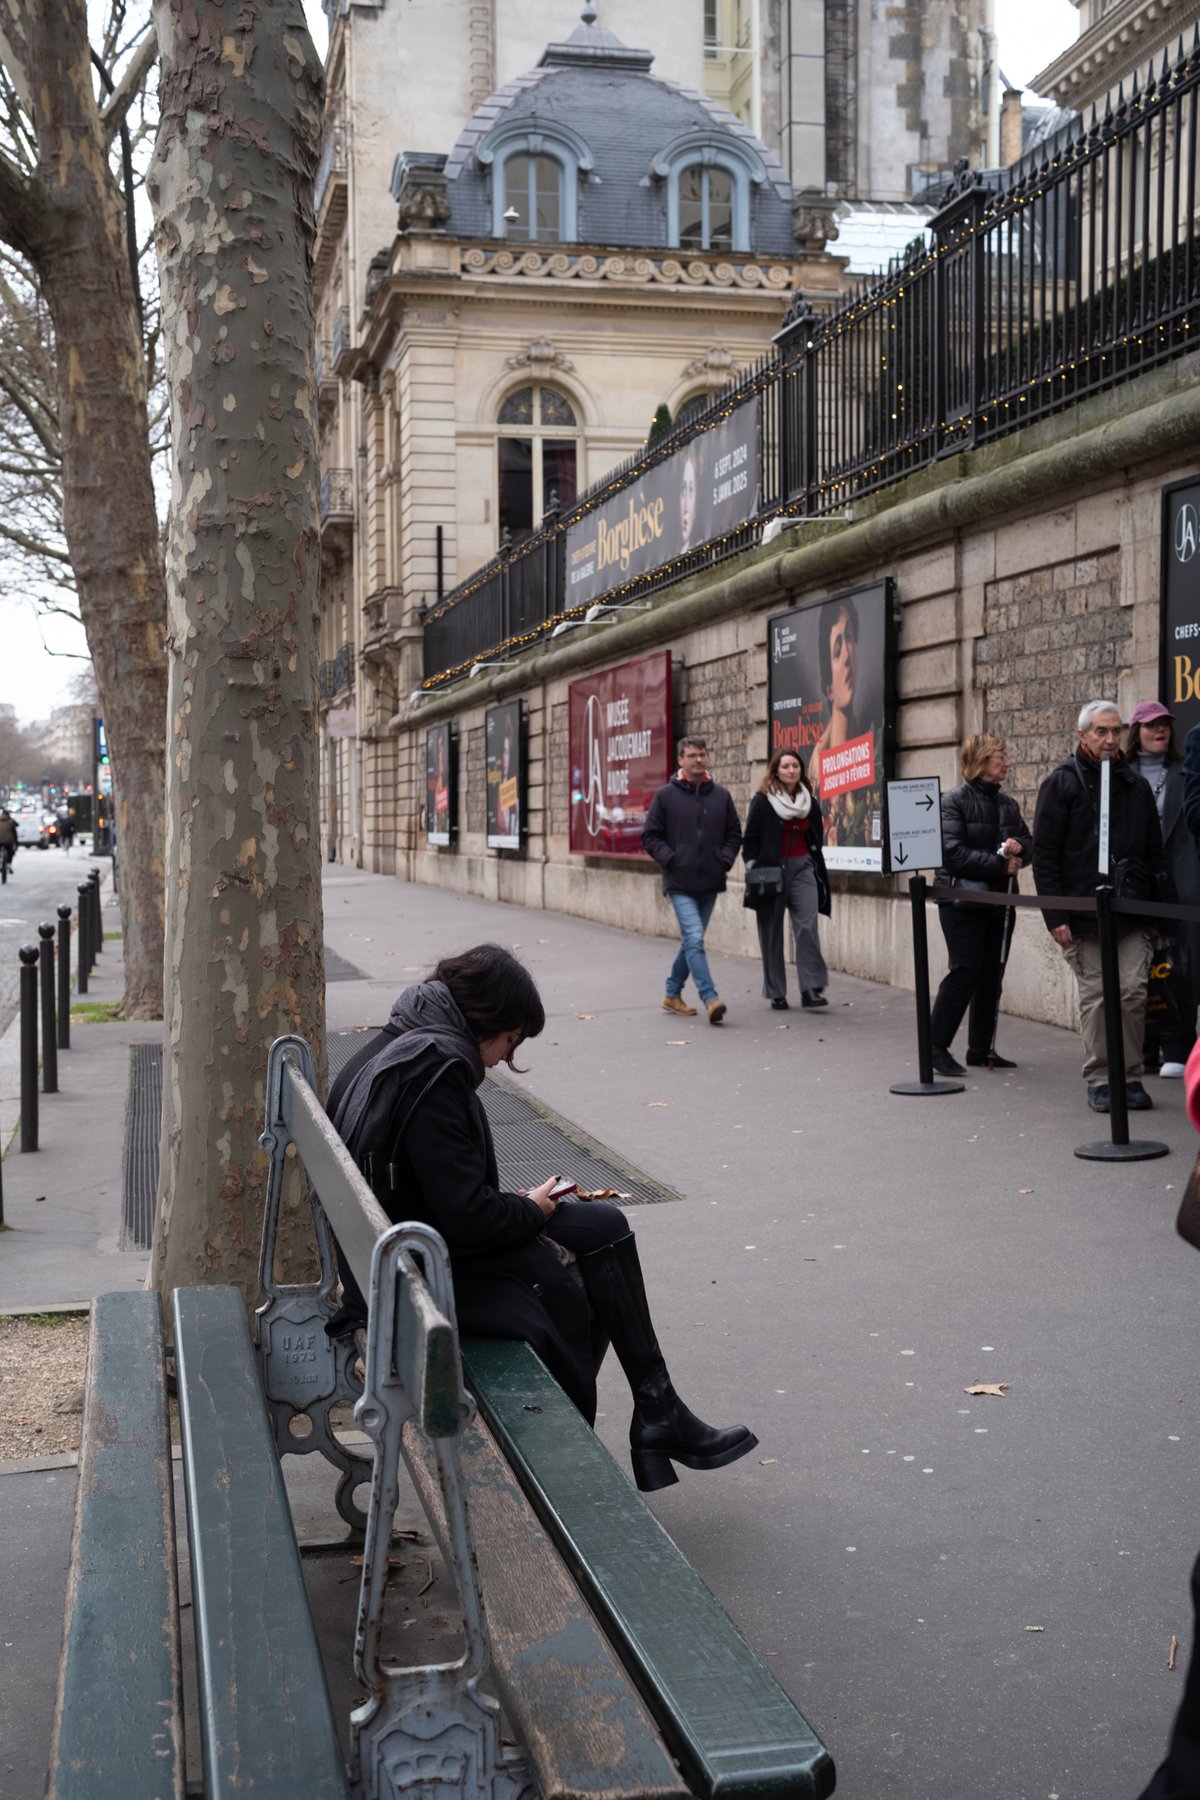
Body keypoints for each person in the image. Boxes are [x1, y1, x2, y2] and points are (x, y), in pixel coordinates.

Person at [327, 943, 757, 1492]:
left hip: (404, 1253)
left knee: (603, 1229)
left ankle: (658, 1409)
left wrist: (525, 1207)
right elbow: (469, 1219)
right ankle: (569, 1460)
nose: (505, 1059)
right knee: (580, 1280)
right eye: (511, 1041)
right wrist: (528, 1208)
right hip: (420, 1277)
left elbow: (446, 1195)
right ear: (490, 1021)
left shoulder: (403, 1042)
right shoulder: (433, 1074)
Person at [1032, 699, 1171, 1113]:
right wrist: (1055, 915)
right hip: (1080, 915)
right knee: (1097, 997)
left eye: (1115, 731)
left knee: (1130, 993)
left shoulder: (1134, 785)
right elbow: (1046, 855)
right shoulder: (1061, 783)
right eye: (1101, 732)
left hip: (1130, 914)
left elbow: (1154, 853)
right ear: (1082, 736)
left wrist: (1161, 912)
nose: (1110, 739)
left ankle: (1128, 1076)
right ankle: (1100, 1079)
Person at [929, 734, 1032, 1077]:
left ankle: (980, 1047)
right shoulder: (953, 801)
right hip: (962, 901)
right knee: (966, 970)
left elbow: (1030, 844)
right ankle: (935, 1046)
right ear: (983, 762)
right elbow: (952, 854)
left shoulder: (1008, 805)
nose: (1008, 762)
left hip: (999, 900)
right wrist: (1000, 864)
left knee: (992, 973)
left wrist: (1020, 849)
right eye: (1001, 757)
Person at [642, 735, 742, 1025]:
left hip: (710, 880)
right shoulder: (665, 796)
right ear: (680, 760)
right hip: (679, 881)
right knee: (695, 938)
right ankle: (710, 998)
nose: (698, 759)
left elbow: (734, 833)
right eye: (692, 755)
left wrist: (723, 861)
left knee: (691, 940)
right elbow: (650, 836)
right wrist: (672, 859)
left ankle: (672, 993)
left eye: (702, 754)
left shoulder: (720, 795)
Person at [1127, 700, 1200, 1078]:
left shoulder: (1182, 771)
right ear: (1136, 731)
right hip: (1136, 882)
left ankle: (1178, 1045)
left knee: (1177, 965)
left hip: (1177, 881)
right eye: (1152, 725)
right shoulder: (1122, 774)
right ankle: (1144, 1047)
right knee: (1137, 968)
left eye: (1165, 725)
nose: (1160, 731)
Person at [741, 749, 831, 1010]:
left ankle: (810, 989)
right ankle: (776, 991)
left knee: (807, 925)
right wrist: (753, 866)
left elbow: (817, 835)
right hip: (771, 871)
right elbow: (750, 840)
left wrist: (815, 860)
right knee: (771, 932)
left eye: (795, 766)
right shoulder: (763, 801)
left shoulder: (809, 802)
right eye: (785, 766)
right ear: (776, 771)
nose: (791, 770)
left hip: (803, 868)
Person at [0, 808, 15, 875]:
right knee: (10, 852)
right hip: (8, 841)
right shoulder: (10, 822)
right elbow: (15, 830)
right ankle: (8, 864)